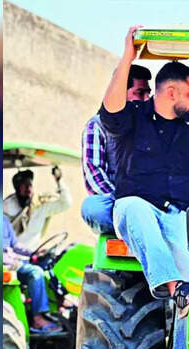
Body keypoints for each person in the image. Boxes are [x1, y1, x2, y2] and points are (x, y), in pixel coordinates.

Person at [96, 25, 189, 349]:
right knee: (133, 206)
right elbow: (108, 110)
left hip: (178, 217)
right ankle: (171, 287)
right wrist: (127, 55)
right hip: (138, 212)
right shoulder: (132, 116)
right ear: (171, 92)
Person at [80, 64, 152, 232]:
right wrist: (126, 202)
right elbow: (94, 175)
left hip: (152, 203)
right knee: (92, 208)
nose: (147, 99)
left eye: (149, 93)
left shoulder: (152, 125)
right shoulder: (97, 125)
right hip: (116, 202)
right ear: (120, 91)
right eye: (140, 93)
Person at [3, 214, 60, 335]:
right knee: (35, 272)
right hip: (4, 267)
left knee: (43, 272)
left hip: (14, 264)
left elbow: (15, 245)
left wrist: (34, 252)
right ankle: (38, 320)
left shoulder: (3, 219)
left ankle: (55, 310)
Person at [3, 166, 71, 249]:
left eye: (30, 185)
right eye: (24, 185)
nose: (28, 189)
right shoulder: (7, 206)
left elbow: (66, 204)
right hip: (10, 255)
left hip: (31, 256)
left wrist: (59, 180)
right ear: (17, 189)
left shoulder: (40, 208)